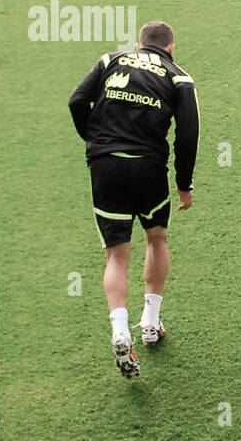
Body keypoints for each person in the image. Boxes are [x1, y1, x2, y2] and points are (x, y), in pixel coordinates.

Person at [69, 20, 198, 378]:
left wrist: (95, 141)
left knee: (116, 253)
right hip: (148, 167)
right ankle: (151, 322)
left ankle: (120, 330)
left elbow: (77, 101)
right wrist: (184, 183)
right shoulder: (179, 77)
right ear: (171, 48)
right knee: (156, 237)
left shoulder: (110, 59)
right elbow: (188, 135)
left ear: (138, 45)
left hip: (105, 164)